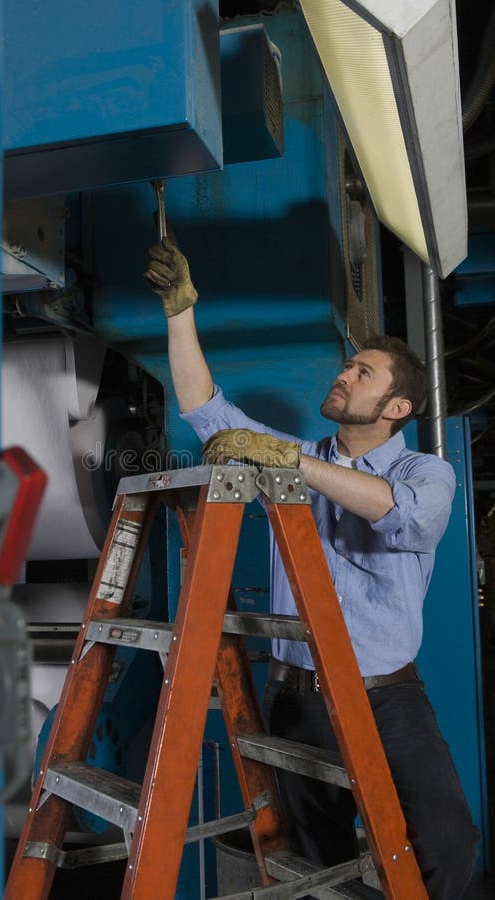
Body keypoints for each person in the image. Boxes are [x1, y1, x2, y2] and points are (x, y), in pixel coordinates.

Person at [144, 235, 481, 899]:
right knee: (319, 864)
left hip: (388, 697)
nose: (344, 375)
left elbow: (407, 515)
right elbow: (207, 413)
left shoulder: (425, 470)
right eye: (347, 365)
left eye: (363, 373)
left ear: (397, 408)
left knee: (449, 842)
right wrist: (180, 311)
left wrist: (291, 463)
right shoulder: (300, 454)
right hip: (298, 701)